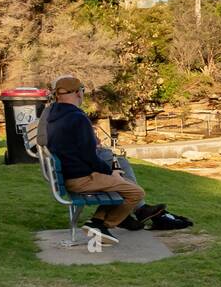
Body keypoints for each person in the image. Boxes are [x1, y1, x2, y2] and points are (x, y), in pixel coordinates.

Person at [43, 76, 156, 240]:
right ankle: (102, 225)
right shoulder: (78, 118)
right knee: (135, 192)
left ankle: (96, 221)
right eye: (82, 91)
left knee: (120, 185)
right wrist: (111, 173)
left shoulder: (53, 114)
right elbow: (89, 156)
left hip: (69, 175)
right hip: (81, 179)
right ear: (78, 93)